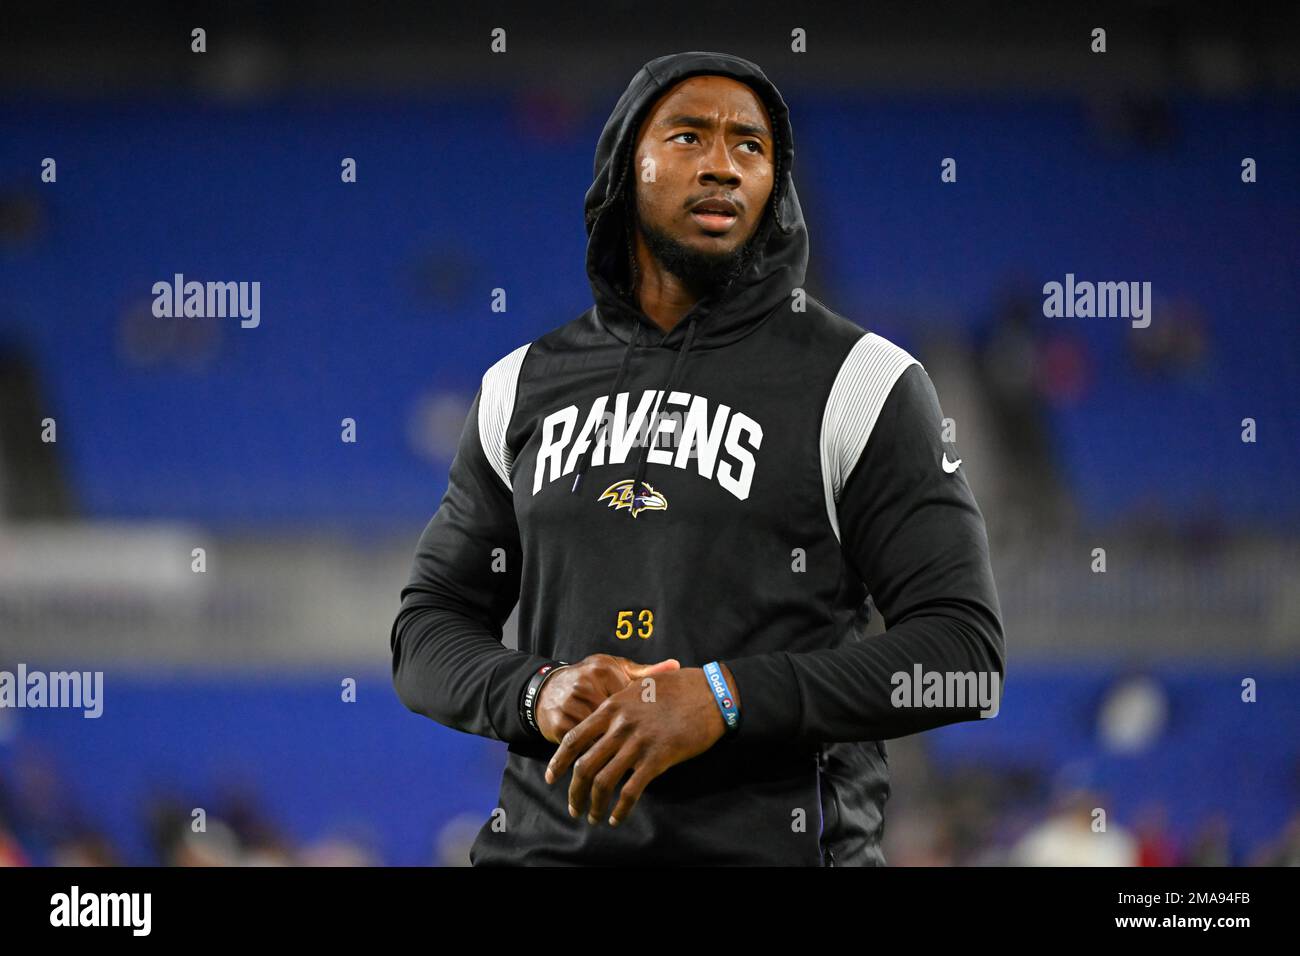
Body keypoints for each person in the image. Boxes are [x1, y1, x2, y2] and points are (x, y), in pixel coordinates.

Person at [390, 50, 1005, 866]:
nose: (723, 165)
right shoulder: (520, 385)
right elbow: (425, 630)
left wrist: (723, 698)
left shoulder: (863, 382)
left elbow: (965, 660)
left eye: (750, 147)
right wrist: (538, 693)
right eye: (689, 137)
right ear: (624, 167)